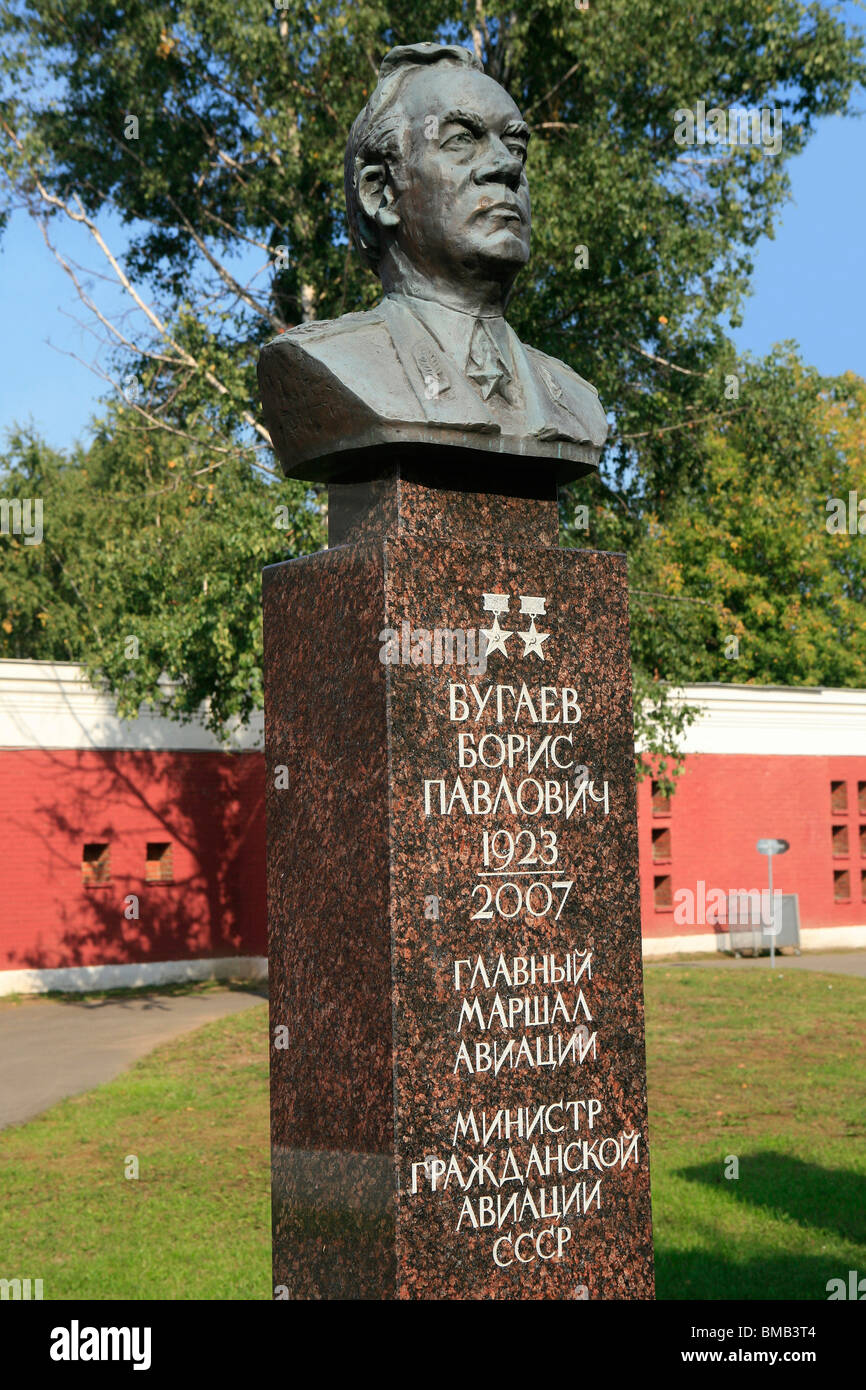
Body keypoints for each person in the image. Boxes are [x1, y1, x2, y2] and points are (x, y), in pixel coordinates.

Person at [258, 41, 607, 482]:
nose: (506, 166)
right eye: (461, 140)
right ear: (380, 193)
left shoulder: (576, 402)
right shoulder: (323, 363)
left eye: (516, 146)